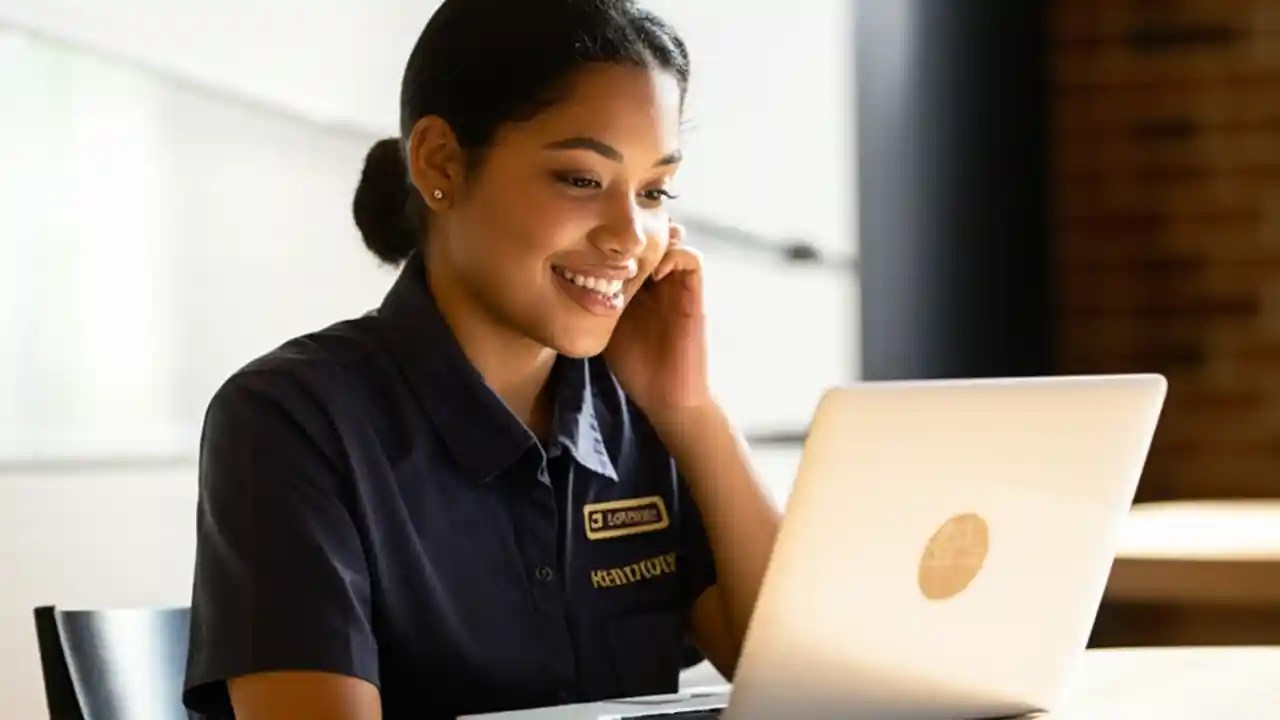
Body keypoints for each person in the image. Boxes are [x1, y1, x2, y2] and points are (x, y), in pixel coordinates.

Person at [182, 1, 780, 718]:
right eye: (582, 180)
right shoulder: (293, 420)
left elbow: (815, 682)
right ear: (440, 163)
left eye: (653, 192)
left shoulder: (642, 418)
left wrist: (693, 410)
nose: (630, 237)